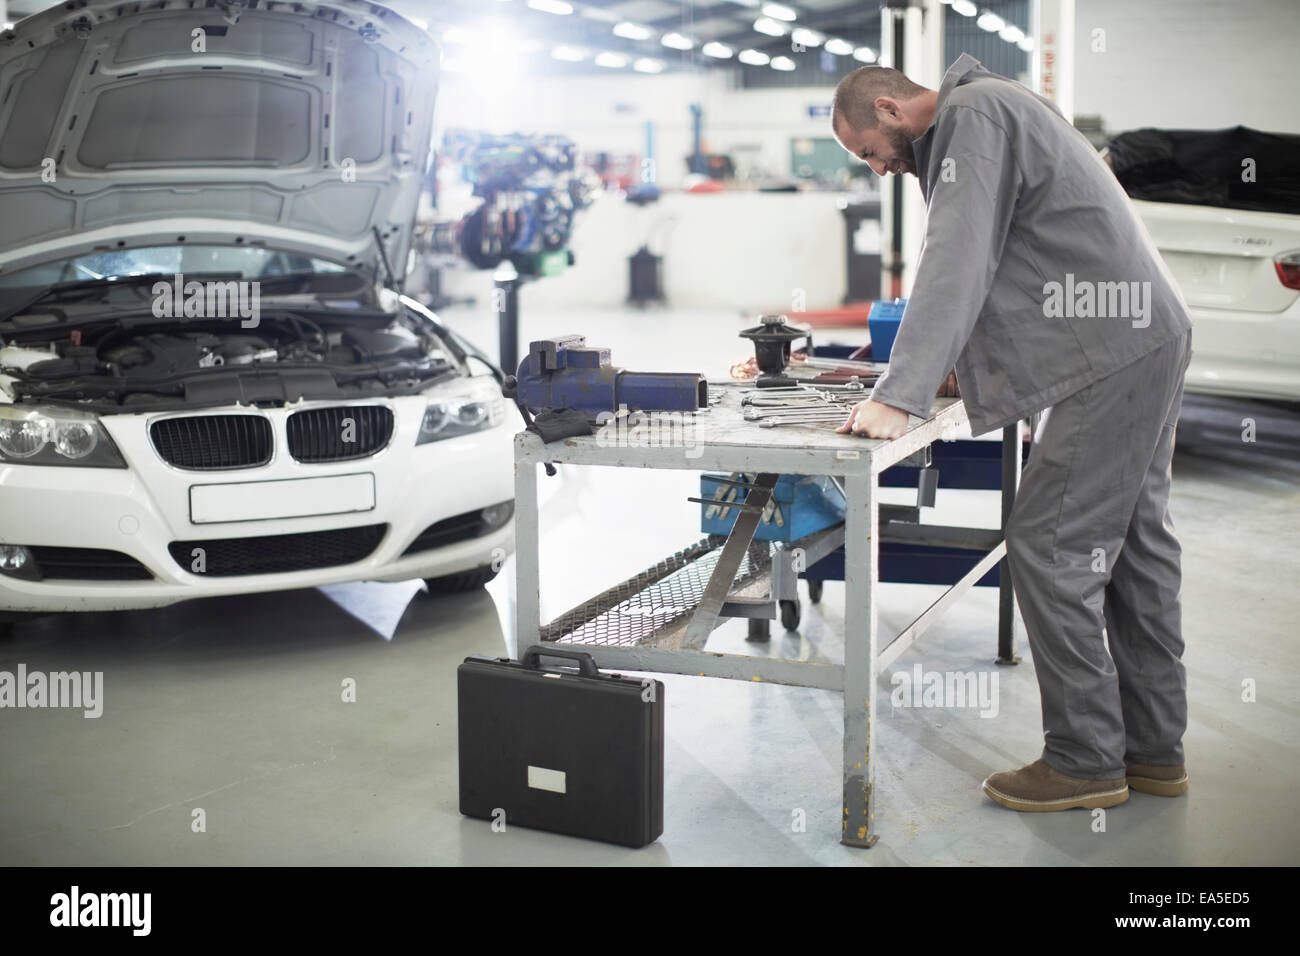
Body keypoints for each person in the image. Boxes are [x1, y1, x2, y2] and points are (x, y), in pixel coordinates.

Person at [832, 54, 1194, 811]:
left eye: (869, 152)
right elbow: (1018, 255)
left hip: (1112, 353)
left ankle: (1086, 760)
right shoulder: (995, 107)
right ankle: (1154, 752)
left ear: (893, 110)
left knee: (1051, 545)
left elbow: (957, 258)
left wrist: (900, 394)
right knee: (1134, 546)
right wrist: (965, 363)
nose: (876, 170)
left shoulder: (972, 116)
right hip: (1141, 336)